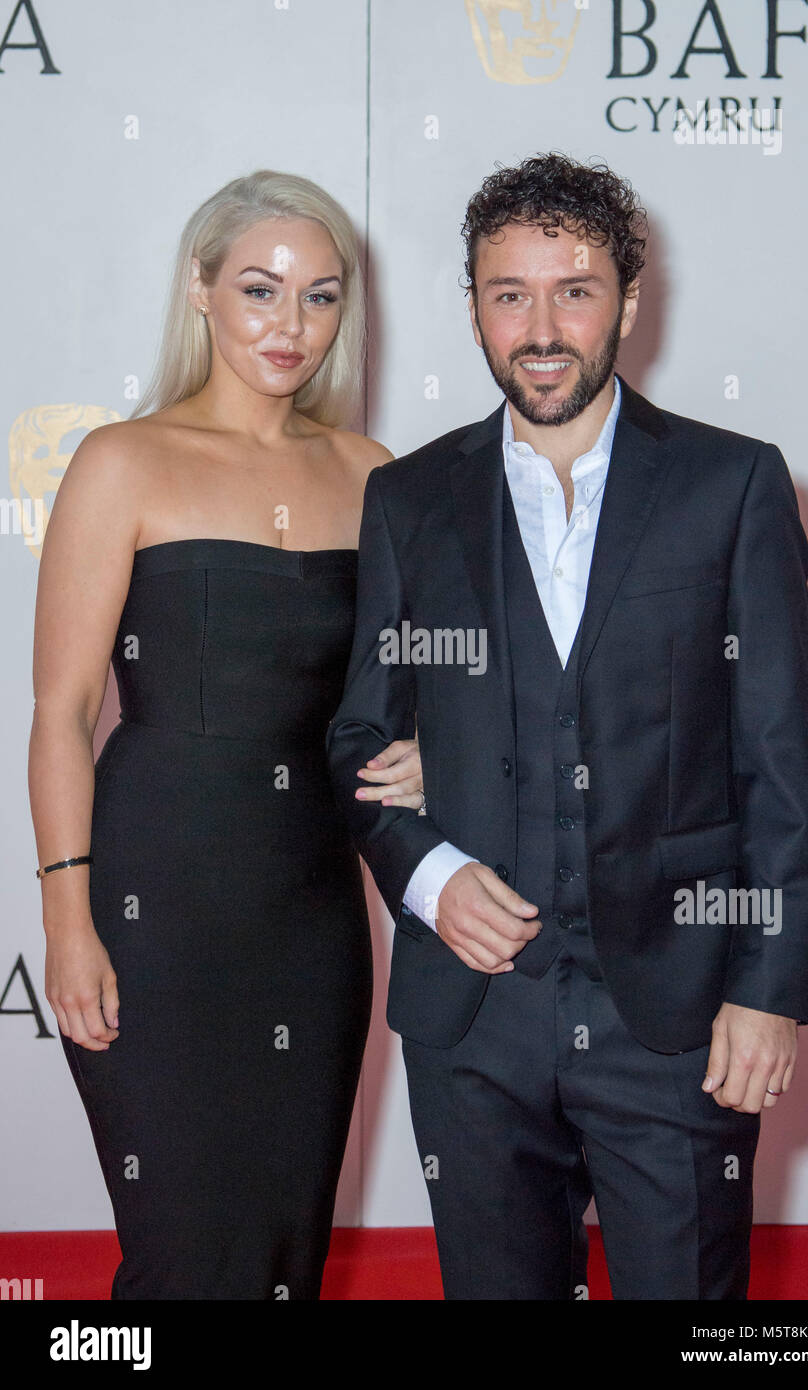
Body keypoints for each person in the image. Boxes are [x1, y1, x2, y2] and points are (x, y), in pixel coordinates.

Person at [327, 152, 808, 1300]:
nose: (540, 327)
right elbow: (360, 739)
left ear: (628, 303)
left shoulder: (730, 484)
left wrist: (765, 986)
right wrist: (430, 872)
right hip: (474, 1017)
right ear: (471, 311)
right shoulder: (408, 499)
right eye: (509, 294)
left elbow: (778, 766)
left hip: (677, 1011)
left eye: (574, 289)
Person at [28, 169, 422, 1300]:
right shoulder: (122, 460)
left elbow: (394, 704)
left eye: (320, 297)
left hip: (310, 913)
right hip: (156, 908)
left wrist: (423, 753)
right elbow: (59, 712)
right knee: (185, 1257)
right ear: (200, 290)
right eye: (259, 289)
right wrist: (68, 922)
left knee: (280, 1256)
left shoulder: (370, 473)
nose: (288, 326)